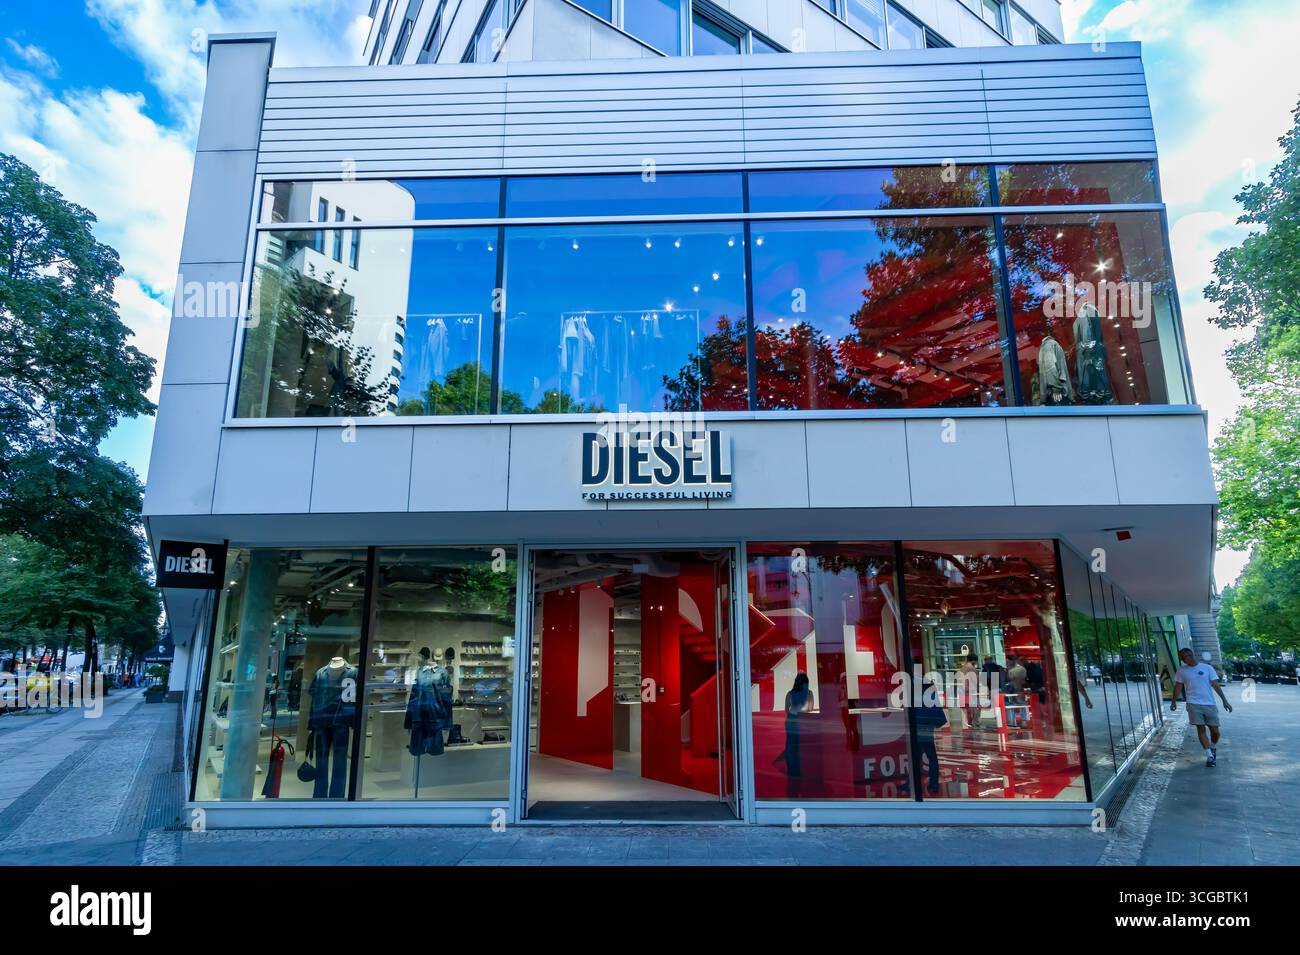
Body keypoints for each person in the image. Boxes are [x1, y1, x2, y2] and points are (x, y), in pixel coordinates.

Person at [1171, 647, 1233, 767]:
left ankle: (1213, 747)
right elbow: (1178, 687)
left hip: (1209, 704)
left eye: (1187, 656)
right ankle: (1209, 755)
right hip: (1193, 704)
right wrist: (1174, 701)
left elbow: (1215, 685)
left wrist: (1225, 701)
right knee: (1201, 729)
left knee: (1215, 731)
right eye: (1183, 658)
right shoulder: (1181, 671)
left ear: (1192, 655)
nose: (1185, 659)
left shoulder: (1207, 668)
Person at [777, 672, 814, 782]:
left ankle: (791, 770)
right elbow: (810, 709)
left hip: (791, 719)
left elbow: (786, 709)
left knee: (790, 745)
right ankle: (799, 770)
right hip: (803, 720)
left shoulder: (790, 693)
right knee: (800, 746)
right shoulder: (809, 693)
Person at [957, 653, 981, 729]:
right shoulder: (971, 668)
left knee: (966, 708)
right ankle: (975, 724)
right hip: (971, 691)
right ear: (974, 660)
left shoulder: (962, 668)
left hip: (963, 690)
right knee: (975, 708)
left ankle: (968, 724)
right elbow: (975, 681)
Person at [1005, 655, 1028, 728]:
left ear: (1011, 661)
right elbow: (1024, 680)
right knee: (1023, 705)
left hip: (1013, 690)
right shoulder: (1023, 669)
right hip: (1021, 690)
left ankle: (1012, 722)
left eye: (1008, 661)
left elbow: (1009, 680)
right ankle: (1024, 722)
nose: (1007, 662)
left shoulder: (1011, 671)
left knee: (1011, 706)